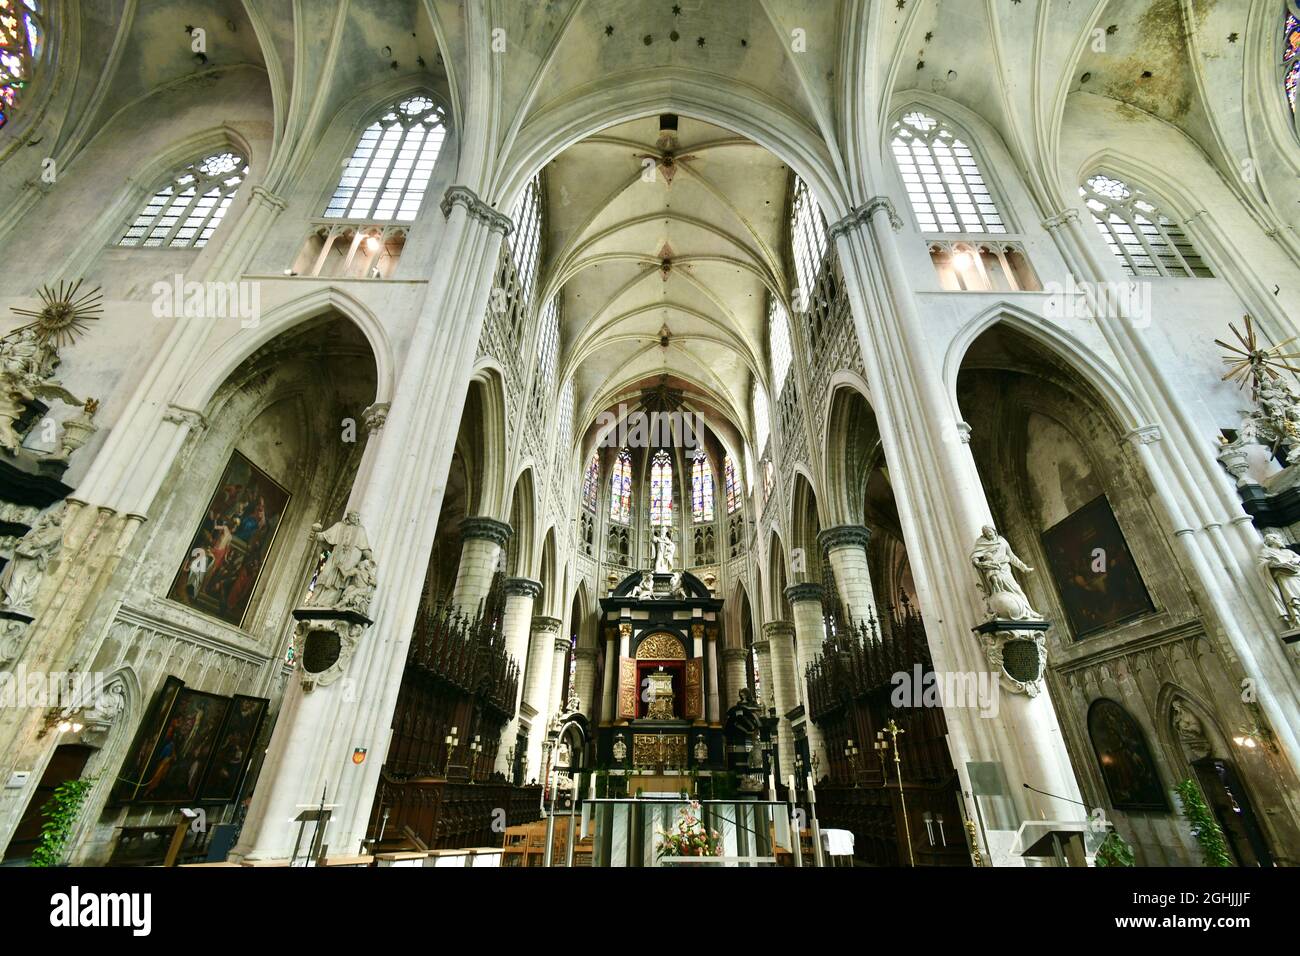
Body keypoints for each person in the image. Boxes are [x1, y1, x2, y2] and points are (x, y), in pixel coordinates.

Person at [970, 524, 1041, 621]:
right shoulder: (982, 543)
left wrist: (1023, 567)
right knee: (997, 588)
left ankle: (1029, 611)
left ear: (994, 531)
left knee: (1017, 589)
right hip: (993, 569)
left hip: (1005, 569)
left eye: (989, 532)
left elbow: (1011, 556)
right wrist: (977, 562)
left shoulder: (1002, 541)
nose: (988, 534)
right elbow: (975, 556)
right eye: (986, 533)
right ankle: (1001, 612)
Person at [1260, 531, 1300, 626]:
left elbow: (1298, 558)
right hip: (1284, 577)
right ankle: (1297, 619)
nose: (1281, 541)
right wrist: (1272, 564)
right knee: (1293, 597)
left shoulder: (1288, 552)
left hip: (1297, 574)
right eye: (1279, 539)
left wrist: (1294, 561)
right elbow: (1261, 564)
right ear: (1272, 540)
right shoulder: (1266, 552)